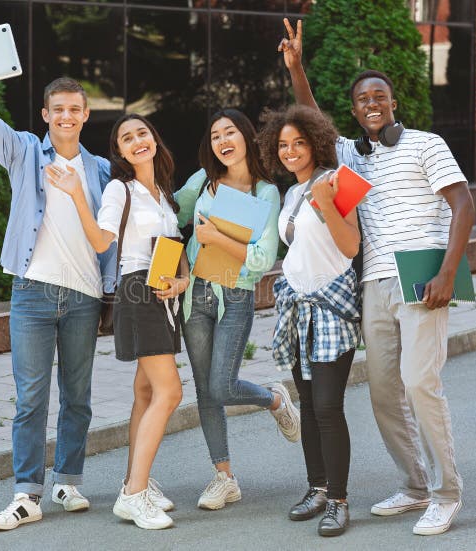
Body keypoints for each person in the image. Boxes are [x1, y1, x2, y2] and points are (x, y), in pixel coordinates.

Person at [279, 18, 475, 536]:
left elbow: (464, 205)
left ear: (392, 103)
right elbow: (315, 119)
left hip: (420, 271)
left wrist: (448, 272)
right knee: (384, 393)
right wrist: (298, 69)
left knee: (419, 382)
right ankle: (414, 486)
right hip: (373, 282)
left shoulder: (427, 144)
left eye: (379, 96)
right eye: (362, 98)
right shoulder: (352, 157)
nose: (371, 103)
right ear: (355, 109)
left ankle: (445, 493)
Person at [0, 24, 118, 530]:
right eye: (58, 109)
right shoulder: (24, 151)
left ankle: (68, 480)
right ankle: (27, 492)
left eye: (76, 109)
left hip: (84, 296)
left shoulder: (102, 170)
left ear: (86, 115)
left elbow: (112, 233)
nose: (67, 116)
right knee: (30, 399)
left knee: (78, 398)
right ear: (46, 115)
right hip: (31, 292)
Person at [48, 113, 189, 530]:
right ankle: (132, 495)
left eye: (142, 132)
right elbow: (100, 241)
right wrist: (76, 193)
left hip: (162, 295)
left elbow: (176, 249)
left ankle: (135, 480)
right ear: (121, 152)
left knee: (146, 391)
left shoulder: (164, 193)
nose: (136, 141)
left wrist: (182, 281)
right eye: (127, 138)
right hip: (136, 290)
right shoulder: (118, 188)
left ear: (154, 139)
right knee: (171, 392)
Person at [174, 109, 300, 511]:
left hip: (236, 297)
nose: (222, 140)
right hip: (195, 296)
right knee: (205, 391)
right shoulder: (202, 183)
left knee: (221, 386)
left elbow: (262, 260)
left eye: (230, 132)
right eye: (215, 135)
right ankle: (224, 477)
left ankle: (275, 400)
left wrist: (213, 235)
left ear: (246, 137)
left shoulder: (265, 193)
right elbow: (171, 217)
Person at [257, 104, 362, 537]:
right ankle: (317, 488)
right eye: (283, 145)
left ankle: (338, 500)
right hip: (298, 308)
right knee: (308, 406)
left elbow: (351, 245)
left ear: (315, 142)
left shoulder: (336, 182)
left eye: (299, 142)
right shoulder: (289, 194)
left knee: (327, 406)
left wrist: (327, 205)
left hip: (332, 308)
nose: (290, 151)